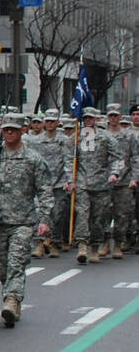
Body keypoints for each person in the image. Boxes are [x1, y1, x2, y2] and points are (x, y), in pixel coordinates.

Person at [0, 114, 53, 326]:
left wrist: (45, 219)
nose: (9, 133)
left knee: (17, 263)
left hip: (23, 221)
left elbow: (45, 191)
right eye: (6, 130)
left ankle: (12, 300)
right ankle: (10, 296)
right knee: (3, 267)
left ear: (22, 131)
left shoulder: (33, 159)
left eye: (13, 130)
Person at [66, 107, 122, 263]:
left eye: (90, 118)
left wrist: (114, 173)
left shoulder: (106, 137)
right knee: (82, 215)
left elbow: (117, 157)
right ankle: (82, 246)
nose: (87, 121)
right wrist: (70, 180)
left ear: (96, 119)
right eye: (85, 118)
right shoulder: (76, 137)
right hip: (82, 183)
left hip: (101, 184)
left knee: (98, 219)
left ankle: (95, 247)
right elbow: (69, 160)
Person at [31, 108, 69, 257]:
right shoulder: (36, 141)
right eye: (47, 121)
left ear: (58, 122)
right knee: (39, 213)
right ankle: (39, 243)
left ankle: (54, 242)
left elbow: (69, 161)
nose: (50, 124)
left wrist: (69, 180)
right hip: (41, 183)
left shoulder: (64, 140)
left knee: (57, 214)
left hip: (59, 183)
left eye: (53, 121)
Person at [104, 104, 136, 257]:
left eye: (116, 115)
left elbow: (135, 157)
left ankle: (118, 243)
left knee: (122, 214)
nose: (113, 118)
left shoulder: (129, 136)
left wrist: (135, 178)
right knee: (103, 213)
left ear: (121, 117)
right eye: (111, 116)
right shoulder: (100, 135)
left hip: (124, 179)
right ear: (107, 117)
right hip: (104, 180)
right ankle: (104, 243)